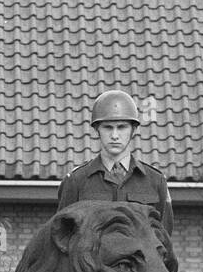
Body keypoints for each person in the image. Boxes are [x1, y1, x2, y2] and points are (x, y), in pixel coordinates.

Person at [57, 90, 173, 234]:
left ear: (133, 130)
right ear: (96, 130)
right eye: (108, 127)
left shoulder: (156, 182)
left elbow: (164, 241)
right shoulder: (76, 181)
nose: (115, 135)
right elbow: (62, 237)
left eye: (122, 127)